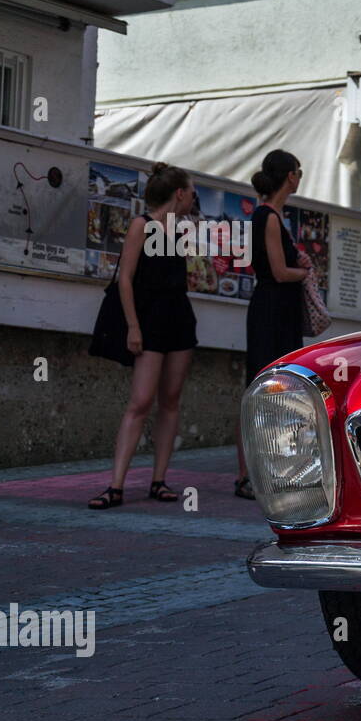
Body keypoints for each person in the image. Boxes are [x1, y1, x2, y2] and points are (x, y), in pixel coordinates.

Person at [88, 164, 198, 509]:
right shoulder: (141, 225)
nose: (194, 197)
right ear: (179, 193)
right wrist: (134, 326)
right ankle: (116, 485)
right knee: (140, 402)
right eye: (191, 191)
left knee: (171, 401)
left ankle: (159, 480)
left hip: (179, 319)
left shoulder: (182, 229)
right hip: (149, 321)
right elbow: (125, 279)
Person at [235, 150, 311, 499]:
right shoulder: (267, 217)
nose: (300, 177)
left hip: (278, 309)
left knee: (279, 389)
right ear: (289, 177)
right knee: (262, 386)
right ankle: (246, 475)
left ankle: (271, 469)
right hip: (271, 309)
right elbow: (279, 272)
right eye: (298, 171)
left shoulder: (275, 215)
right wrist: (306, 273)